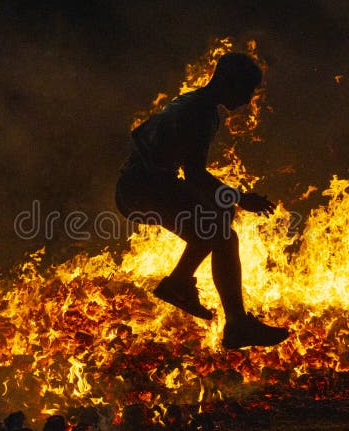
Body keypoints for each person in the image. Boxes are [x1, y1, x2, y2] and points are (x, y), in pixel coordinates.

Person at [116, 52, 289, 349]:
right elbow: (195, 175)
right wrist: (240, 198)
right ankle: (230, 321)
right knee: (221, 232)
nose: (248, 99)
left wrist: (228, 201)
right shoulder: (200, 113)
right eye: (246, 89)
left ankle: (184, 287)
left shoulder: (195, 103)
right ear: (226, 81)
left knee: (219, 224)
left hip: (146, 185)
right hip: (143, 189)